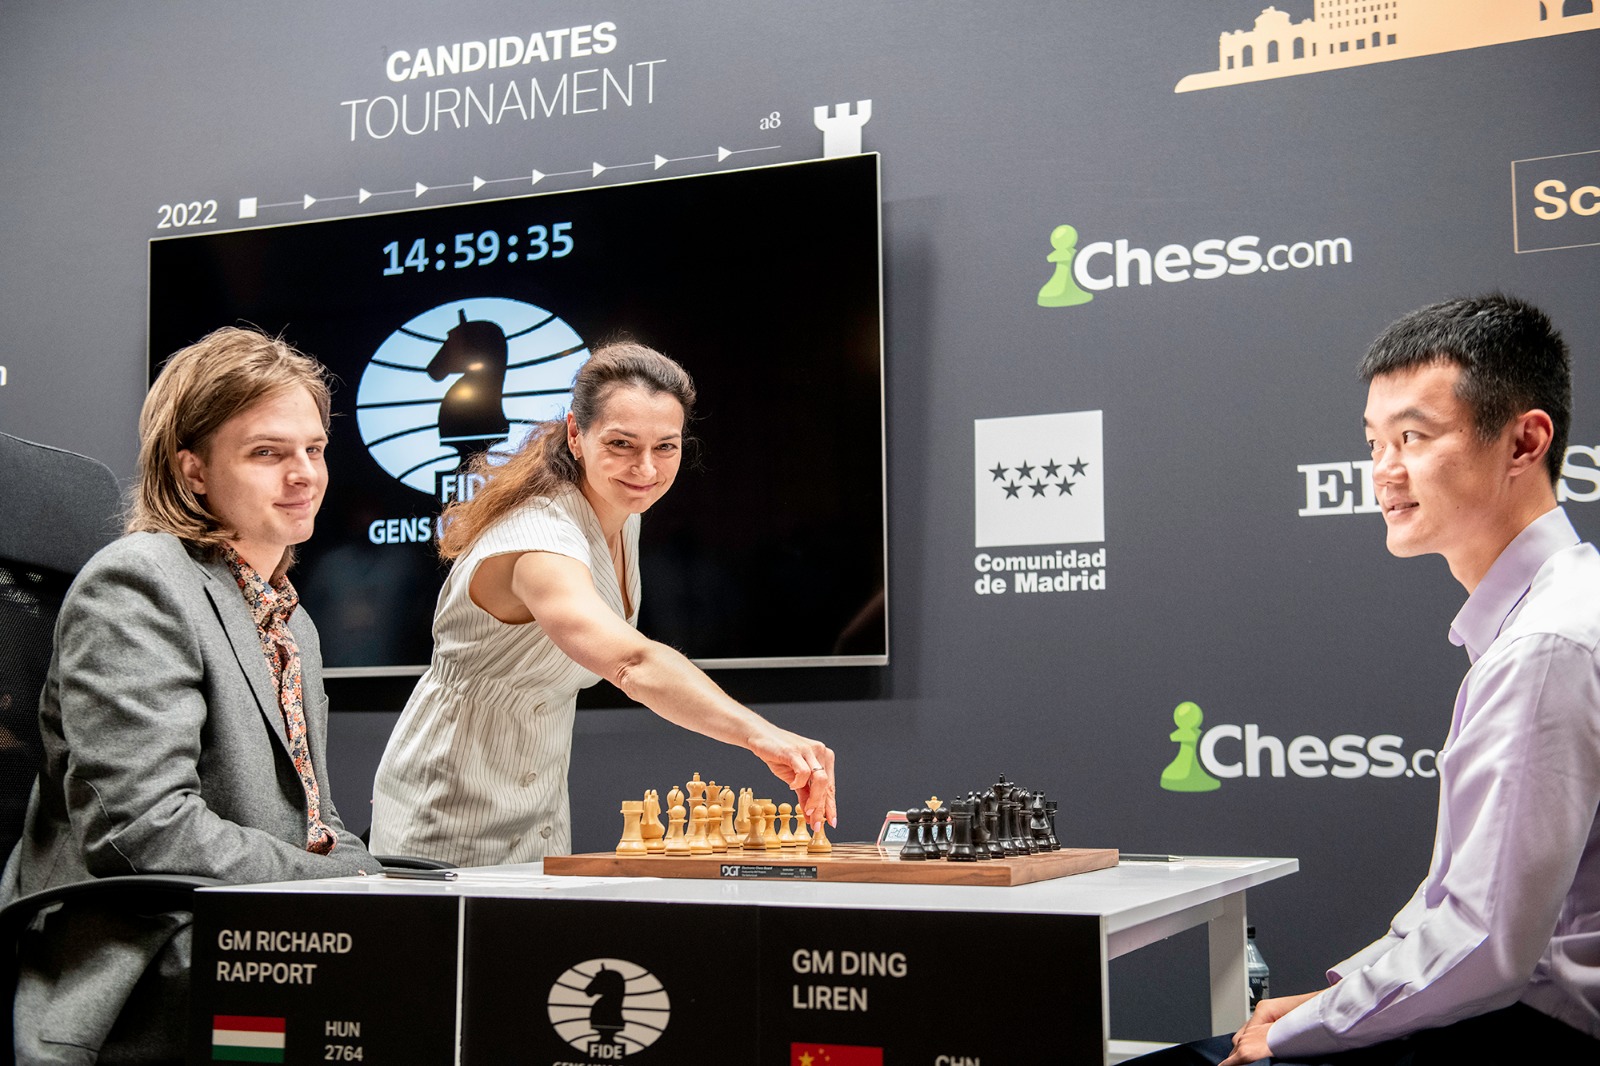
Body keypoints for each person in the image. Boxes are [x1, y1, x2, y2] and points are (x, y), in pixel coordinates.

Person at [1138, 294, 1600, 1065]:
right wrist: (1333, 997)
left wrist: (1295, 1031)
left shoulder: (1547, 641)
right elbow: (1455, 898)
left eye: (1414, 437)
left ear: (1525, 442)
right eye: (1374, 442)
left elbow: (1484, 942)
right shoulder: (1542, 614)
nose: (1384, 471)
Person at [1, 327, 382, 1063]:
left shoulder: (289, 619)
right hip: (149, 960)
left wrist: (376, 877)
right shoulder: (139, 583)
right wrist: (351, 882)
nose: (303, 474)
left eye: (314, 449)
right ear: (193, 471)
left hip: (257, 943)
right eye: (267, 453)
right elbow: (146, 831)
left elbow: (319, 822)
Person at [369, 341, 837, 867]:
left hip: (539, 804)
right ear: (576, 434)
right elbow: (631, 662)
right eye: (621, 443)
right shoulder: (539, 535)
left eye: (666, 446)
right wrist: (762, 736)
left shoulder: (620, 512)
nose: (646, 468)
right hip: (445, 804)